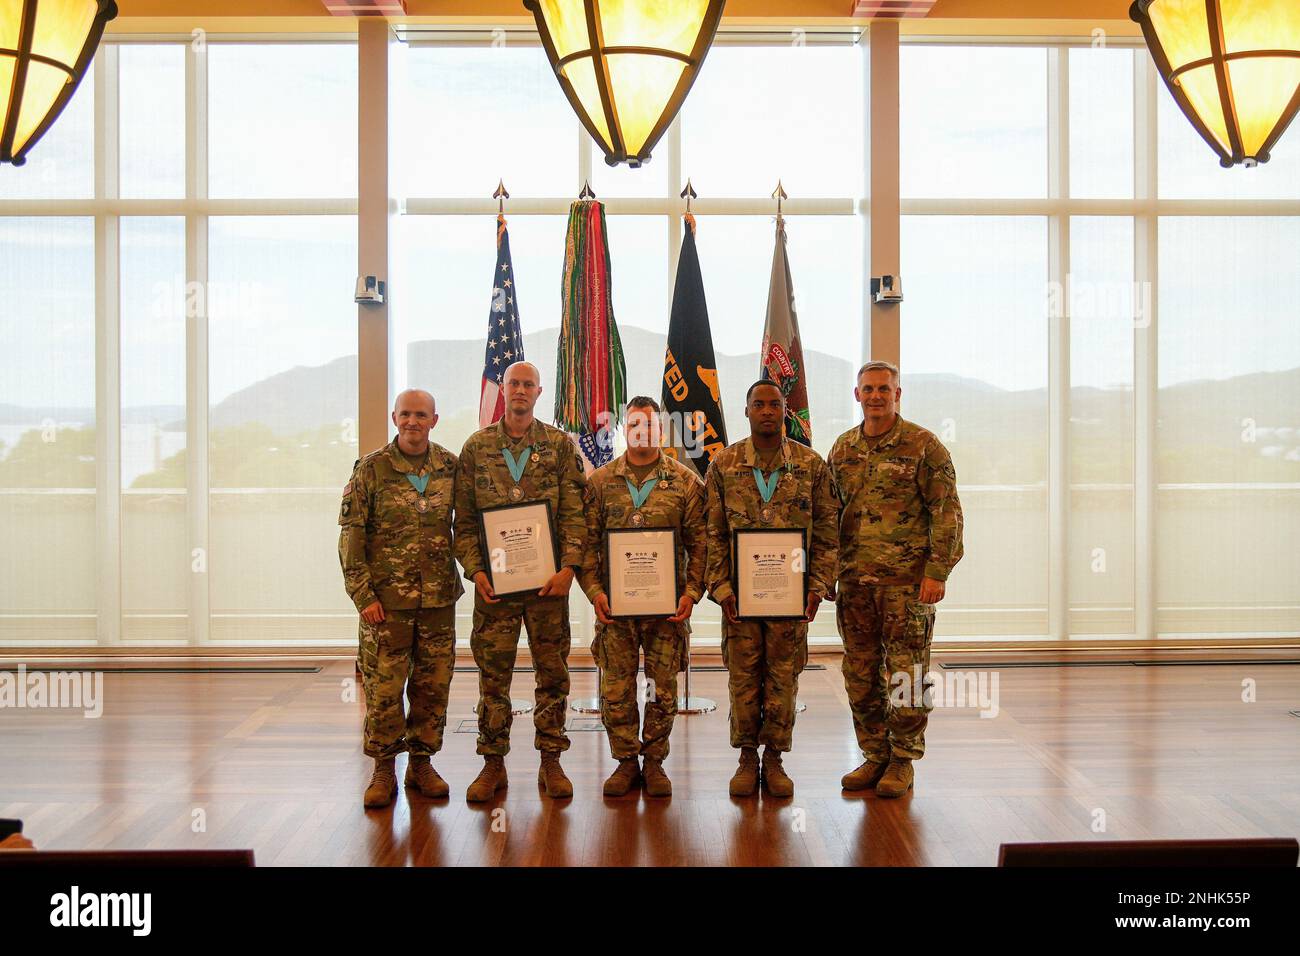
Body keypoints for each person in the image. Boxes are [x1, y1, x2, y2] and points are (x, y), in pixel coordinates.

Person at [828, 361, 963, 798]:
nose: (876, 396)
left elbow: (947, 513)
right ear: (857, 395)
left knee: (906, 673)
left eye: (884, 389)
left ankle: (903, 759)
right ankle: (874, 755)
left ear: (898, 393)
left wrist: (937, 571)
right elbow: (829, 515)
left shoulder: (924, 446)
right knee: (861, 673)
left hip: (908, 585)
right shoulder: (843, 449)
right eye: (868, 389)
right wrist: (826, 571)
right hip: (854, 584)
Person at [454, 361, 588, 800]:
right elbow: (465, 523)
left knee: (553, 674)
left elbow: (574, 512)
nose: (520, 390)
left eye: (528, 384)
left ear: (538, 391)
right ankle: (493, 763)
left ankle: (551, 759)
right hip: (495, 589)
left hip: (547, 587)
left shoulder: (558, 446)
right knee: (493, 677)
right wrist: (475, 570)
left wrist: (569, 568)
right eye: (514, 383)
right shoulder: (476, 448)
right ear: (503, 388)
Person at [704, 381, 838, 798]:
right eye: (758, 404)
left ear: (786, 410)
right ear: (745, 411)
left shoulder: (811, 466)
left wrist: (816, 587)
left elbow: (829, 534)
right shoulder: (723, 465)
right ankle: (747, 757)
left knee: (783, 680)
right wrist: (722, 589)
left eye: (774, 404)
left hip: (791, 600)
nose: (767, 410)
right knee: (744, 680)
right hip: (739, 602)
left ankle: (775, 758)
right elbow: (711, 535)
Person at [339, 388, 462, 809]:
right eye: (406, 414)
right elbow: (351, 538)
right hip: (385, 605)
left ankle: (422, 764)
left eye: (421, 415)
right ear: (395, 418)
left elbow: (466, 528)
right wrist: (363, 596)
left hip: (438, 603)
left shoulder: (450, 467)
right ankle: (383, 768)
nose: (413, 421)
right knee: (384, 689)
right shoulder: (371, 471)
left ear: (434, 419)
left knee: (432, 687)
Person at [579, 397, 706, 797]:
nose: (642, 432)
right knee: (616, 689)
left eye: (650, 425)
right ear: (623, 429)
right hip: (615, 609)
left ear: (661, 430)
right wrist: (594, 591)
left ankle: (654, 763)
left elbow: (700, 543)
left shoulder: (685, 482)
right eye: (634, 425)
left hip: (666, 610)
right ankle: (624, 762)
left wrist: (692, 592)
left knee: (661, 687)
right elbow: (584, 544)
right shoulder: (600, 483)